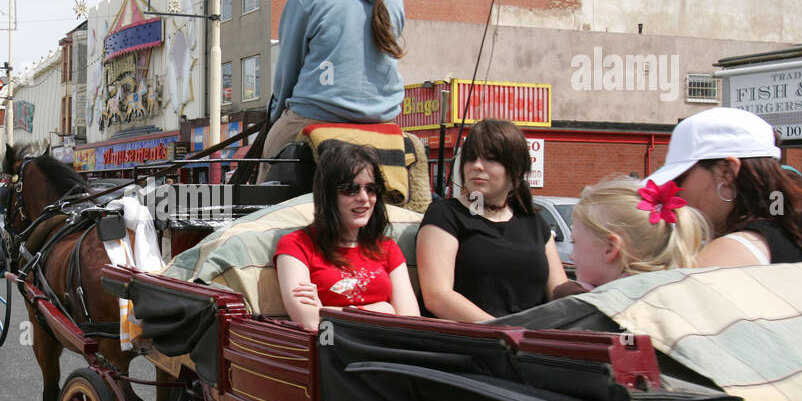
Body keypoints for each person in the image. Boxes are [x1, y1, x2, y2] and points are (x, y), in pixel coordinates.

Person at [259, 0, 406, 181]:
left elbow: (288, 70)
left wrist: (275, 116)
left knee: (268, 159)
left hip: (316, 113)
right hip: (383, 118)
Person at [416, 119, 566, 320]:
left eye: (491, 158)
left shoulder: (534, 222)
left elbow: (559, 295)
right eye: (471, 158)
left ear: (516, 168)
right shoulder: (445, 214)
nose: (477, 166)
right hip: (473, 341)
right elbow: (437, 297)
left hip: (533, 341)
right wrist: (503, 331)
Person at [645, 107, 802, 265]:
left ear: (726, 172)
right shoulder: (800, 230)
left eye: (679, 179)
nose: (674, 194)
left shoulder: (730, 253)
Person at [274, 142, 418, 332]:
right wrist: (384, 309)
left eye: (371, 189)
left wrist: (326, 311)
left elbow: (411, 322)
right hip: (333, 351)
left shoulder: (387, 247)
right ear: (327, 194)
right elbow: (310, 322)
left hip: (387, 352)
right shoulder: (296, 245)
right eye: (350, 189)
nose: (364, 198)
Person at [568, 176, 710, 288]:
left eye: (574, 242)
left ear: (610, 248)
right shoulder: (671, 294)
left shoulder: (600, 314)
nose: (570, 256)